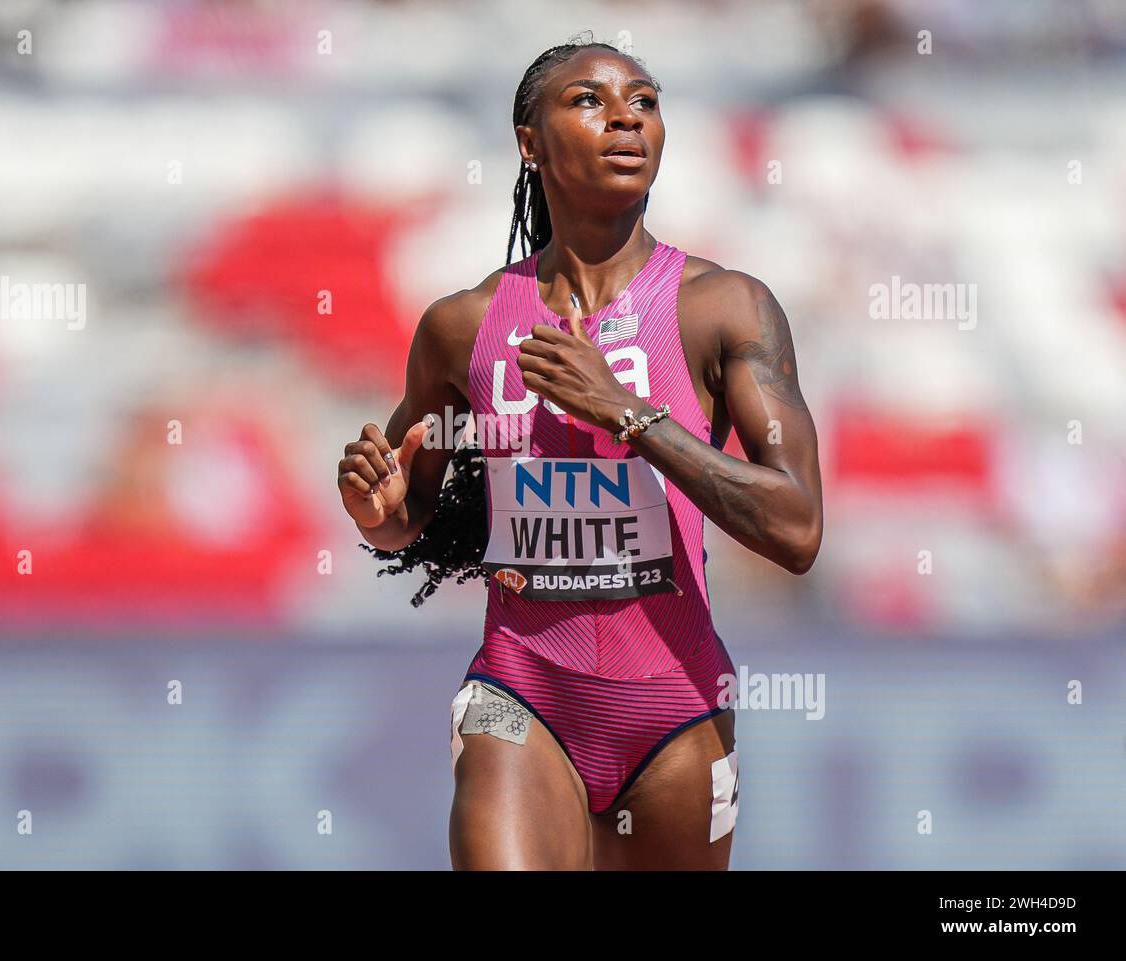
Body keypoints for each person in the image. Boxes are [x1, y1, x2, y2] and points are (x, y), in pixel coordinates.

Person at [337, 36, 823, 870]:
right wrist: (378, 512)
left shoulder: (724, 307)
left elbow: (798, 527)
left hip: (676, 712)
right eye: (589, 100)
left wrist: (628, 413)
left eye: (644, 98)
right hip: (520, 692)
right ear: (529, 142)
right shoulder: (462, 325)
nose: (626, 115)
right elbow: (407, 518)